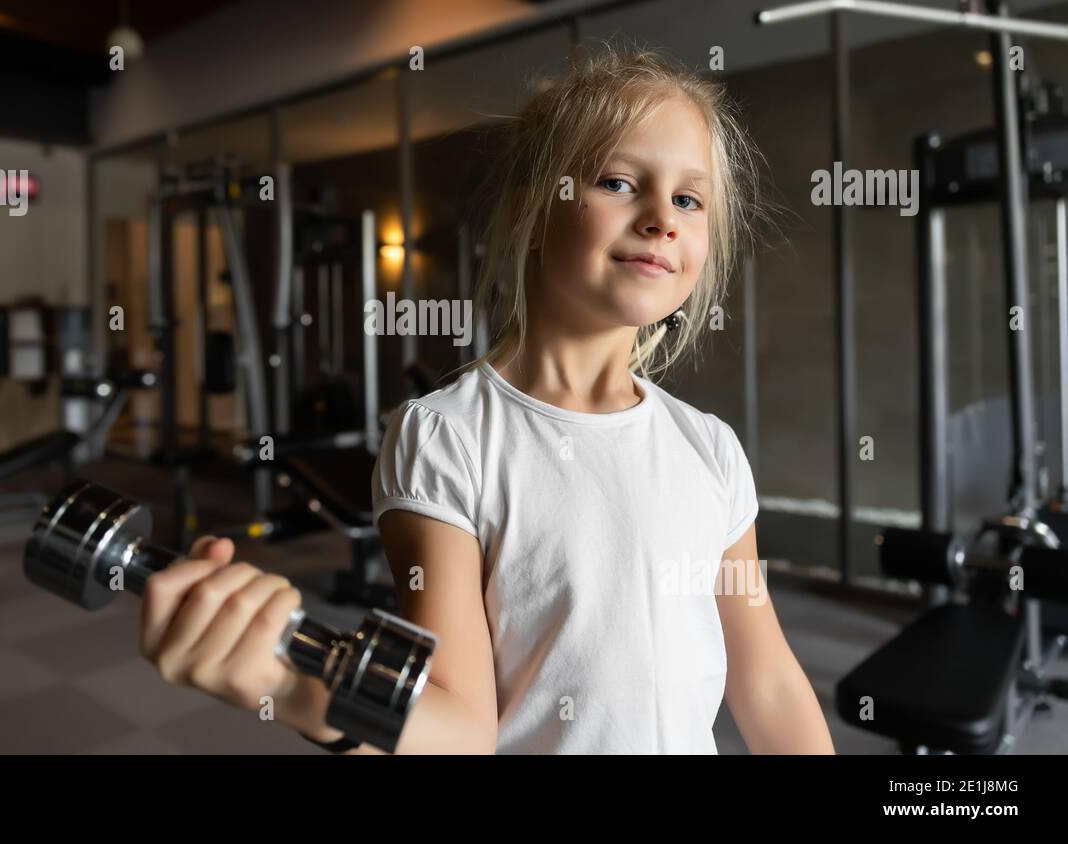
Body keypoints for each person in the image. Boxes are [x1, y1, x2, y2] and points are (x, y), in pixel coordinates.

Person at [139, 44, 835, 754]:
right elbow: (459, 728)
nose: (663, 216)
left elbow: (768, 680)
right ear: (536, 207)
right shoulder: (449, 439)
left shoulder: (709, 448)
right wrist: (289, 688)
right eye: (620, 183)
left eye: (688, 198)